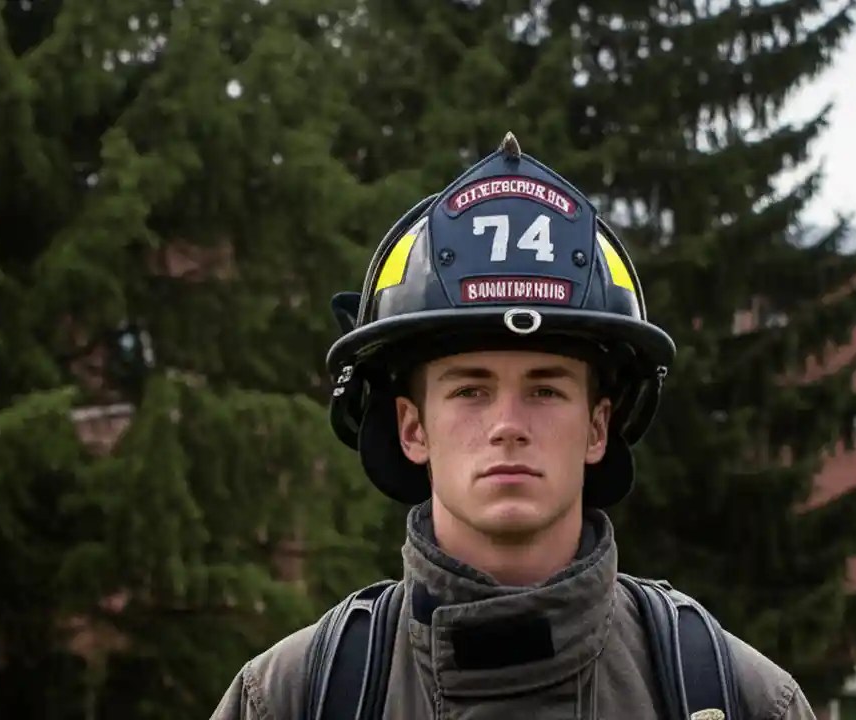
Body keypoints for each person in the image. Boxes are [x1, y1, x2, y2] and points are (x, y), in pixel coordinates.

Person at [210, 133, 817, 720]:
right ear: (412, 428)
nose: (507, 424)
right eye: (470, 389)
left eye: (546, 389)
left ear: (597, 429)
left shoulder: (737, 699)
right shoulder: (293, 699)